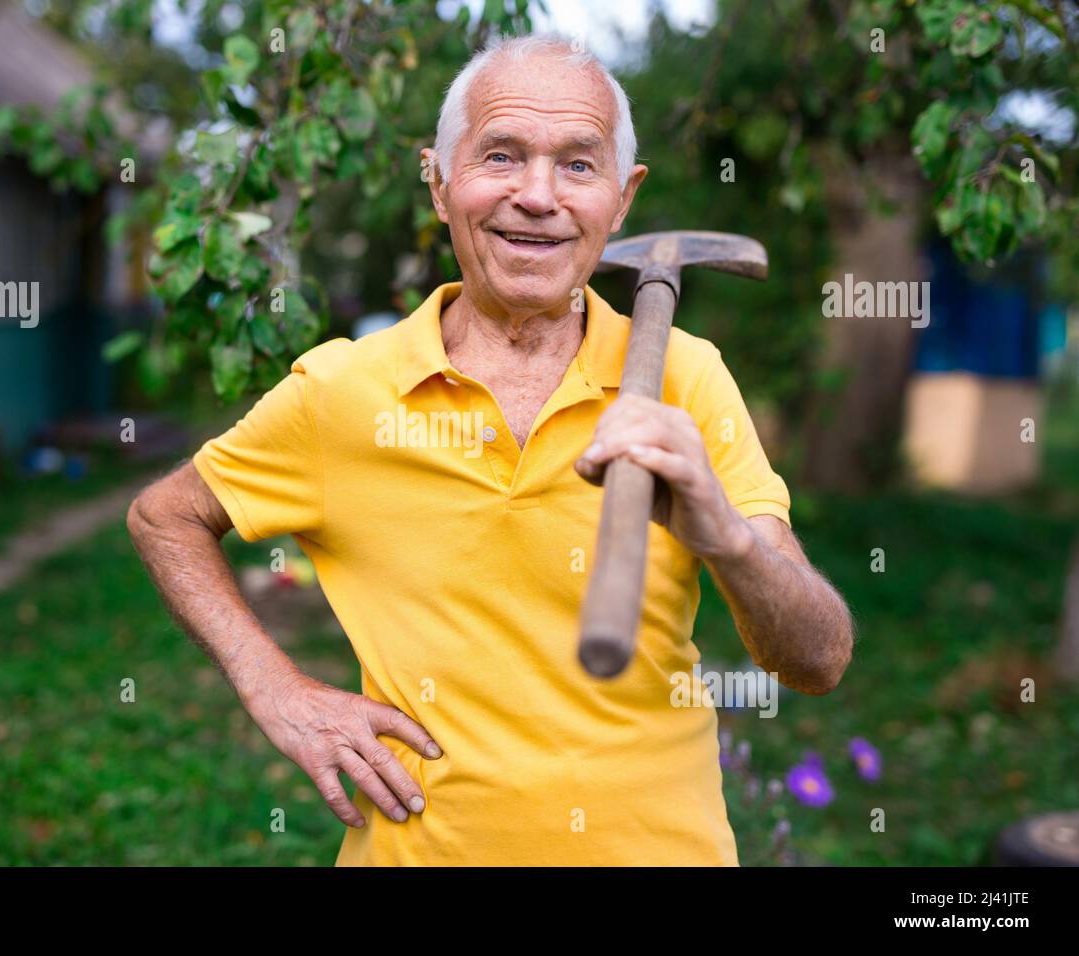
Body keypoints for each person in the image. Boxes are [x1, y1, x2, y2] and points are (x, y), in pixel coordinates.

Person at [128, 33, 854, 866]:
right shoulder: (343, 392)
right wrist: (278, 690)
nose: (537, 196)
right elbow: (165, 516)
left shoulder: (686, 381)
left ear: (622, 201)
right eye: (501, 156)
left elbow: (817, 660)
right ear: (437, 181)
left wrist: (722, 532)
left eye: (579, 165)